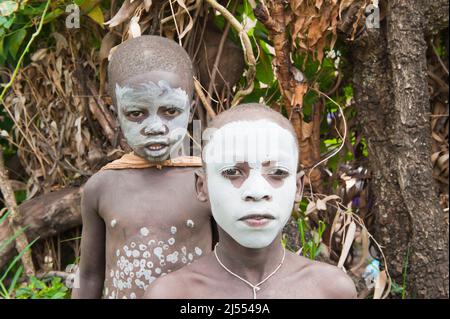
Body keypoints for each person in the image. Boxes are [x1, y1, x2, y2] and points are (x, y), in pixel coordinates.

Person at [144, 103, 357, 299]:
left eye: (277, 172)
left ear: (298, 188)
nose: (256, 192)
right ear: (202, 187)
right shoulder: (172, 294)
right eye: (233, 172)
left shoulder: (331, 290)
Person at [71, 35, 214, 299]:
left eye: (170, 111)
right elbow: (90, 274)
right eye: (136, 113)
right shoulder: (101, 188)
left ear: (191, 110)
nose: (155, 127)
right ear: (117, 115)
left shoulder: (209, 183)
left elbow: (232, 267)